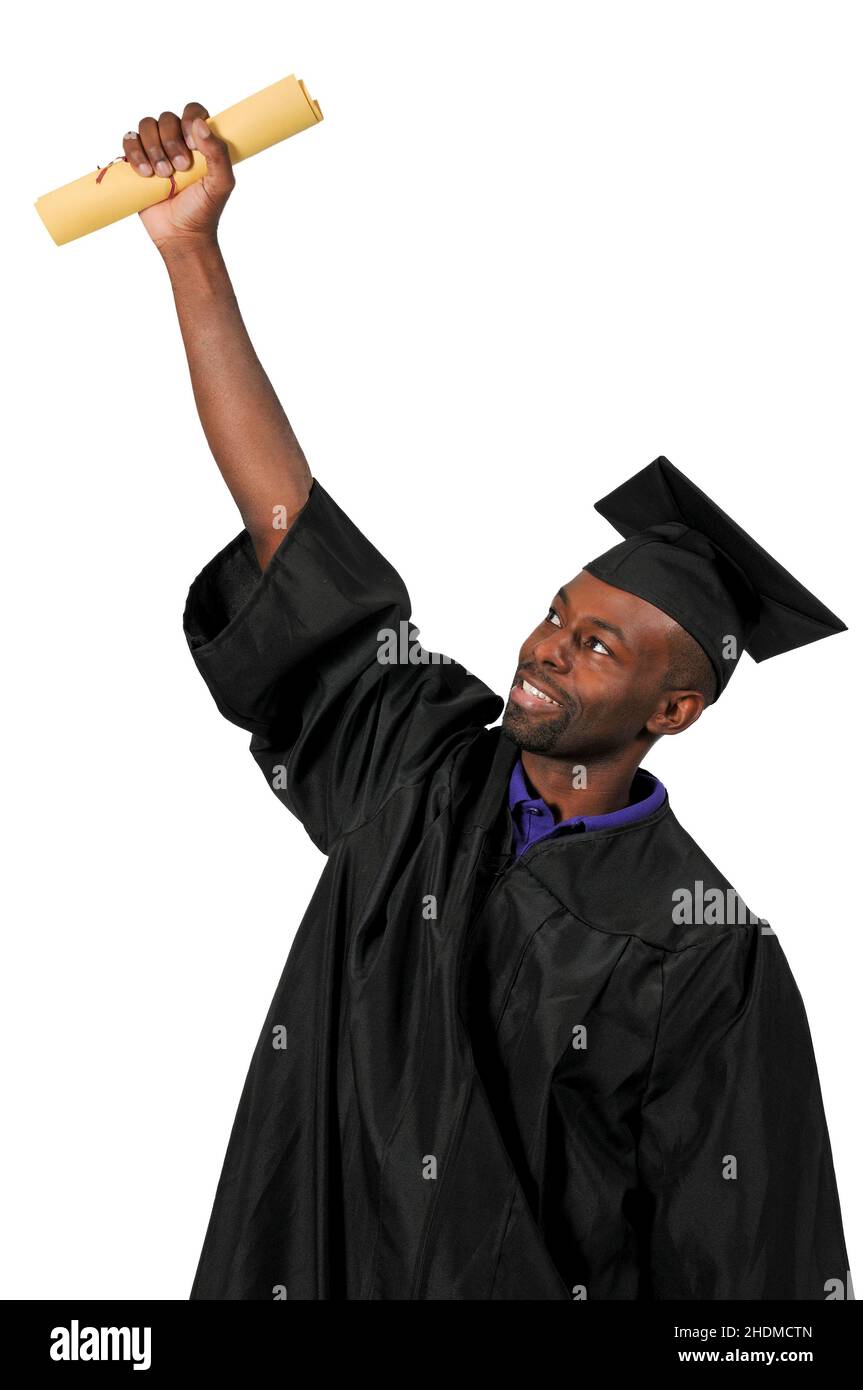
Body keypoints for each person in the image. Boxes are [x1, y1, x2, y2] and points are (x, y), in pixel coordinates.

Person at [124, 103, 852, 1300]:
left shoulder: (704, 955)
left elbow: (748, 1284)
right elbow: (289, 529)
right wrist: (193, 254)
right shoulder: (415, 763)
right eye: (559, 614)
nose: (548, 649)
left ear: (670, 711)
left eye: (598, 645)